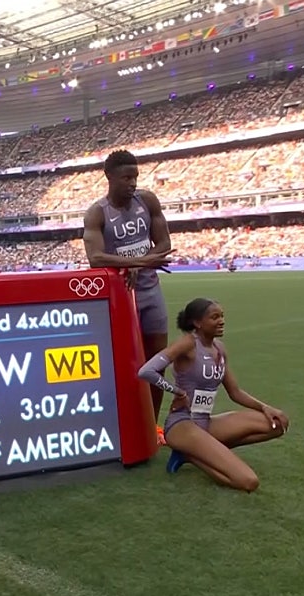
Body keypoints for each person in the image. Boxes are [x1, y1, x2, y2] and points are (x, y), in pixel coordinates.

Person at [137, 298, 289, 492]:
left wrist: (265, 407)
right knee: (248, 482)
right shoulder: (187, 344)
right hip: (183, 424)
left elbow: (235, 392)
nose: (221, 321)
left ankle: (196, 452)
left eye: (222, 316)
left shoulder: (219, 348)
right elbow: (146, 371)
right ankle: (190, 455)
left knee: (278, 425)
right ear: (197, 323)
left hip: (206, 423)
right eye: (214, 317)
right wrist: (178, 392)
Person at [82, 149, 174, 426]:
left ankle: (152, 427)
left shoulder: (147, 201)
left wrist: (137, 263)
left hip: (150, 293)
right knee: (123, 367)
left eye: (135, 176)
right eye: (126, 177)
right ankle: (121, 426)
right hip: (119, 298)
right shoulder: (97, 213)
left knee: (157, 364)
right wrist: (137, 261)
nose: (132, 183)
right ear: (109, 177)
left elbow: (164, 245)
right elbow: (95, 258)